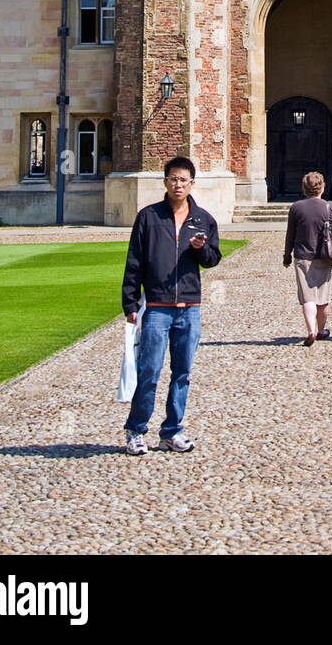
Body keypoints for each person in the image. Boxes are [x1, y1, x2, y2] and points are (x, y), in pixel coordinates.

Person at [122, 156, 221, 455]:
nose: (178, 185)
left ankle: (172, 431)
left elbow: (213, 259)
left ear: (193, 183)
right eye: (173, 179)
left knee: (182, 372)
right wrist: (130, 301)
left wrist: (201, 249)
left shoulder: (203, 219)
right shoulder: (148, 217)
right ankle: (136, 430)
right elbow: (134, 261)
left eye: (183, 180)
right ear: (165, 181)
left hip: (189, 306)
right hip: (157, 305)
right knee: (149, 369)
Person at [283, 171, 332, 346]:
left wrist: (287, 256)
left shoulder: (296, 207)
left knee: (307, 296)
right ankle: (321, 330)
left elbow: (290, 235)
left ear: (304, 188)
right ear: (322, 187)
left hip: (303, 256)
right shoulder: (330, 207)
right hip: (324, 256)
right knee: (322, 297)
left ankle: (310, 330)